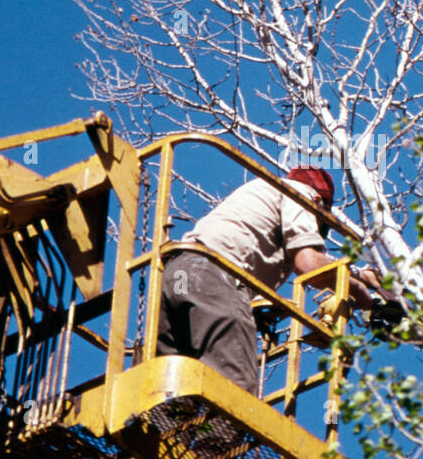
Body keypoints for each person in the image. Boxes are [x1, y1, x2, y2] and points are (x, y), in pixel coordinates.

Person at [155, 166, 381, 396]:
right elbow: (310, 264)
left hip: (178, 277)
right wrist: (364, 297)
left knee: (168, 392)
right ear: (318, 201)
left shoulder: (261, 197)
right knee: (233, 393)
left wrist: (360, 275)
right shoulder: (299, 195)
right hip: (212, 276)